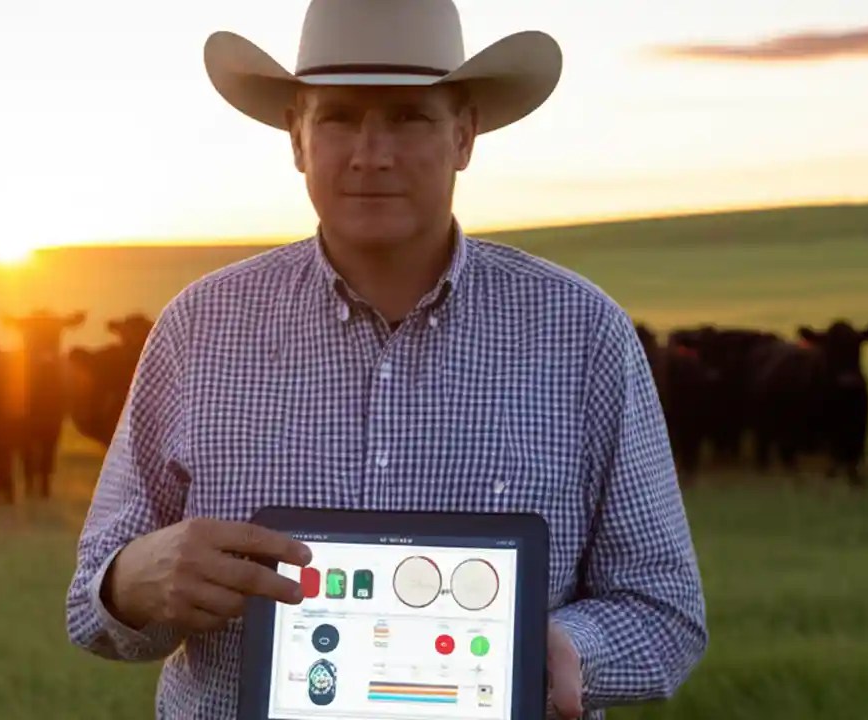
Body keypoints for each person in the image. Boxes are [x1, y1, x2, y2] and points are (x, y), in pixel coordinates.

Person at [65, 1, 708, 718]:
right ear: (296, 137)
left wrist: (563, 646)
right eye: (338, 116)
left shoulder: (584, 335)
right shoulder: (198, 329)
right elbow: (91, 605)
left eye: (408, 116)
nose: (372, 152)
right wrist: (130, 583)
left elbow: (665, 613)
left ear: (464, 134)